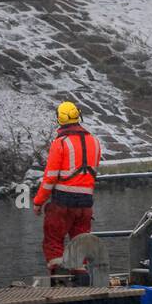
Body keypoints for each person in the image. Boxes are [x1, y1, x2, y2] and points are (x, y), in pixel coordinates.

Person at [33, 101, 102, 278]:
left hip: (62, 203)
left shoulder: (60, 143)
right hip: (86, 204)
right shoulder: (95, 141)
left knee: (54, 241)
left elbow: (50, 178)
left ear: (59, 119)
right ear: (78, 115)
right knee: (80, 244)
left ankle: (60, 281)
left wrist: (38, 202)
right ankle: (82, 281)